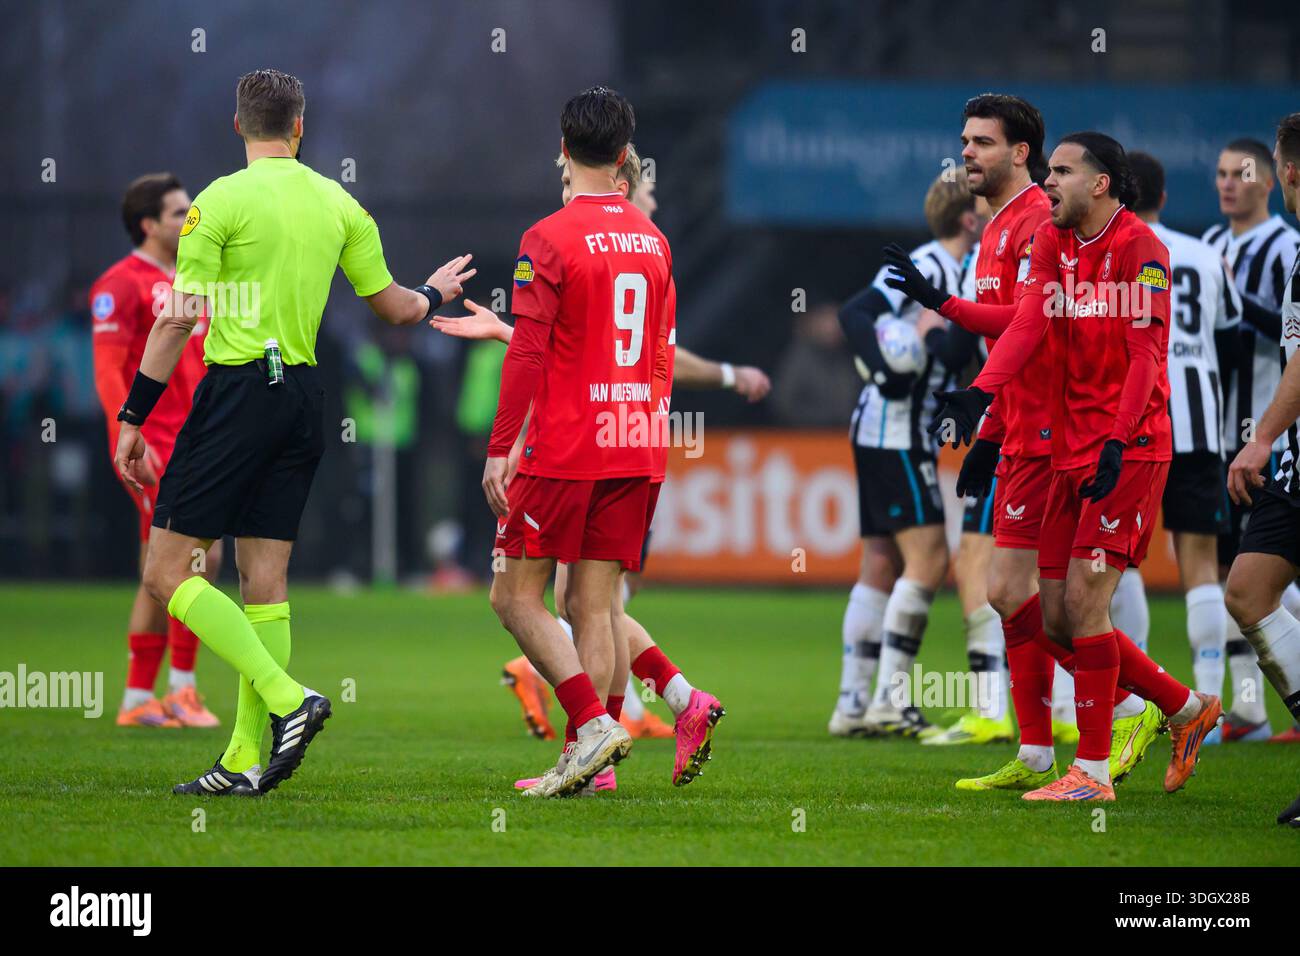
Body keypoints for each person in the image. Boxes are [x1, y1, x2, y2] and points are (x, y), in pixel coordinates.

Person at [115, 68, 475, 796]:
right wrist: (436, 290)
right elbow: (399, 309)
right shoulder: (339, 202)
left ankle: (288, 700)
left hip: (239, 389)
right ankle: (244, 761)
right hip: (305, 396)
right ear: (300, 127)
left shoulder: (217, 202)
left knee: (164, 571)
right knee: (265, 581)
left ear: (238, 124)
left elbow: (179, 316)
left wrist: (132, 416)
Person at [929, 132, 1222, 801]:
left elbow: (1147, 355)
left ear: (1100, 184)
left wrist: (1119, 440)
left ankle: (1090, 773)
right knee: (1055, 615)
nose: (1049, 183)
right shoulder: (1054, 246)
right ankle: (1183, 708)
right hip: (1065, 451)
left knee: (1086, 604)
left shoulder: (1143, 250)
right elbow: (1026, 327)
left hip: (1131, 450)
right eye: (1049, 170)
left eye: (1061, 172)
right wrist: (982, 401)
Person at [484, 86, 698, 798]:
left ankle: (590, 726)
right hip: (635, 438)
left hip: (570, 444)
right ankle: (593, 770)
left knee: (514, 597)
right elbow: (662, 354)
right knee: (594, 602)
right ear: (625, 156)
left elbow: (528, 356)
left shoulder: (547, 238)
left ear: (564, 149)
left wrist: (501, 444)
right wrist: (647, 414)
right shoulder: (653, 238)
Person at [833, 170, 981, 738]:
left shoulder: (958, 268)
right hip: (896, 430)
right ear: (968, 218)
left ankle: (851, 704)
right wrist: (882, 370)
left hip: (884, 429)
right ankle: (891, 700)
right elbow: (854, 314)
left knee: (881, 562)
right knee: (929, 560)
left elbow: (944, 344)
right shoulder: (933, 266)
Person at [1106, 152, 1243, 712]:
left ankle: (1135, 691)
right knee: (1202, 563)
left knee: (1119, 559)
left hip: (1133, 428)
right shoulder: (1207, 255)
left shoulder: (1113, 255)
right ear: (1164, 197)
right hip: (1201, 427)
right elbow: (1232, 342)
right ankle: (1212, 694)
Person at [91, 172, 222, 729]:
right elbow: (107, 371)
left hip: (198, 439)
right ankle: (162, 694)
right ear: (149, 225)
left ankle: (157, 695)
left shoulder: (198, 278)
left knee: (185, 561)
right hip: (151, 444)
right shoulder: (118, 285)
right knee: (183, 561)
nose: (189, 219)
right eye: (178, 214)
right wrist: (130, 433)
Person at [1203, 137, 1300, 742]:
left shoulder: (1283, 245)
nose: (1227, 184)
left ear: (1275, 177)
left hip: (1269, 430)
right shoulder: (1211, 246)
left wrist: (1263, 433)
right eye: (1218, 174)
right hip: (1238, 435)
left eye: (1239, 173)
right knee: (1234, 578)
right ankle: (1246, 709)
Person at [1223, 112, 1300, 824]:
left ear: (1285, 175)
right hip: (1293, 465)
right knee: (1247, 592)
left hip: (1277, 449)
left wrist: (1258, 440)